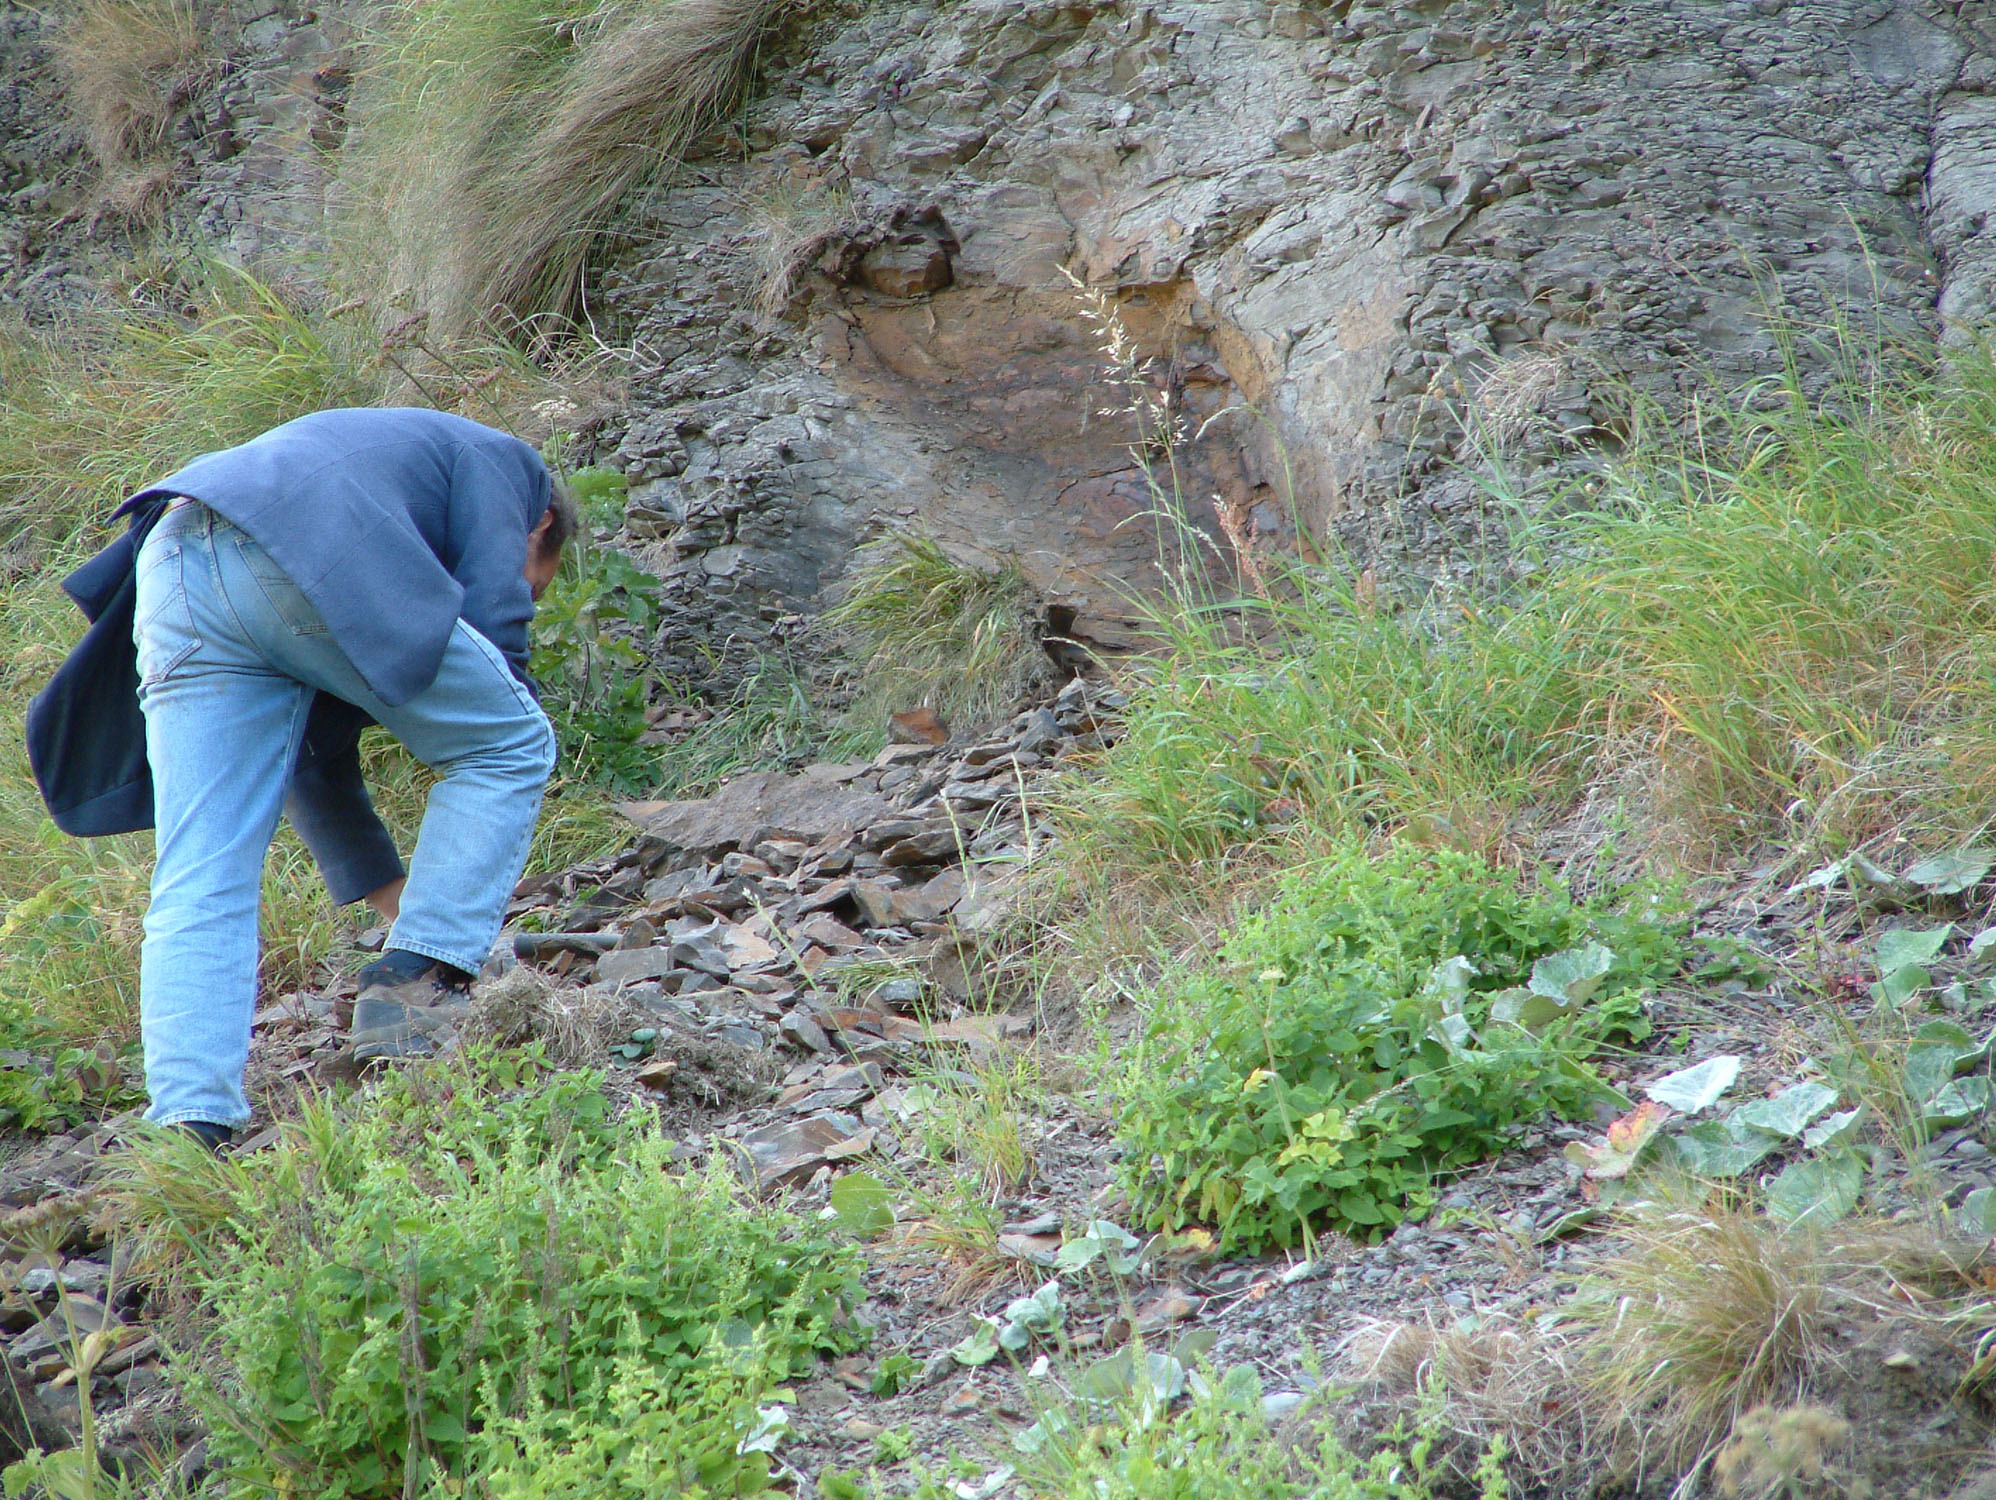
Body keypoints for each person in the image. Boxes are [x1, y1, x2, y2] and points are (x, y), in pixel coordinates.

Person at [28, 407, 576, 1148]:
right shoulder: (511, 469)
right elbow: (493, 621)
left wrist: (399, 909)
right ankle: (423, 980)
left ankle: (190, 1123)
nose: (528, 596)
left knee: (202, 865)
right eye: (537, 583)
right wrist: (437, 945)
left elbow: (310, 756)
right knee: (507, 742)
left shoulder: (390, 472)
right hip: (301, 542)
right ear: (540, 527)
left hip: (173, 554)